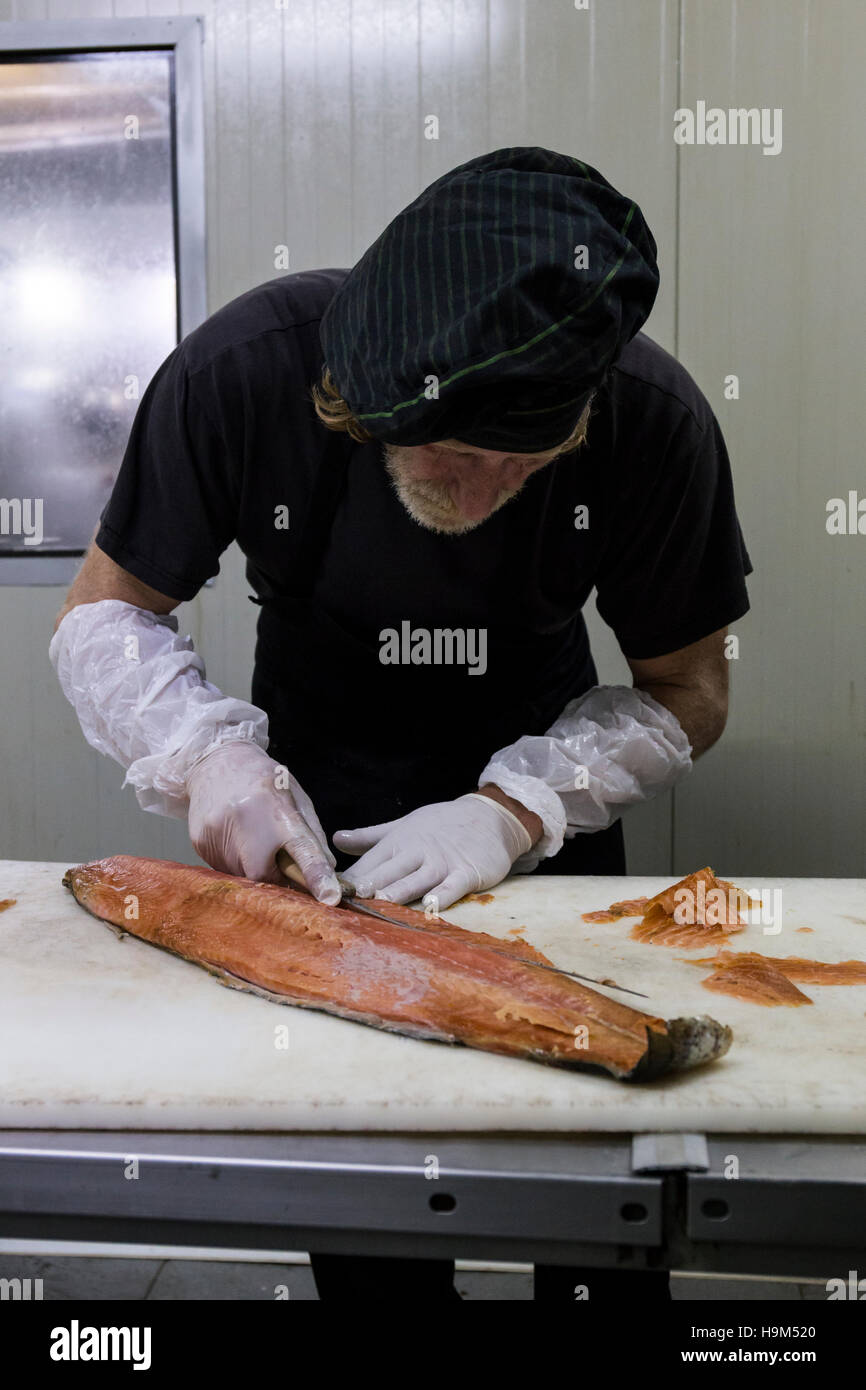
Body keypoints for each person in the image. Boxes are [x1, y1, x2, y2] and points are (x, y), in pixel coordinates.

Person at [51, 147, 752, 1300]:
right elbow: (104, 615)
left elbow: (692, 690)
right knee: (375, 1222)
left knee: (594, 1213)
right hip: (317, 811)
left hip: (547, 813)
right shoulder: (245, 366)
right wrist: (210, 757)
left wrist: (516, 808)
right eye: (445, 456)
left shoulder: (654, 420)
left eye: (517, 463)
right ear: (353, 395)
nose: (470, 502)